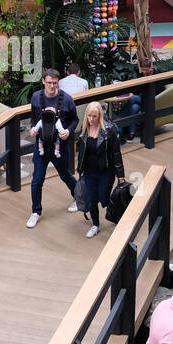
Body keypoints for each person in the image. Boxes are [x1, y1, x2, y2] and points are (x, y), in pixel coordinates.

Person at [26, 68, 80, 229]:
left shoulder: (67, 99)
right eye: (48, 82)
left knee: (66, 175)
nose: (51, 86)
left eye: (54, 83)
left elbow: (74, 120)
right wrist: (32, 128)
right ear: (43, 81)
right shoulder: (36, 97)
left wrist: (68, 131)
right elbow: (34, 118)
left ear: (58, 82)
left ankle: (79, 198)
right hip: (41, 144)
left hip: (60, 146)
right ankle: (36, 212)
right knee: (37, 180)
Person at [74, 101, 125, 239]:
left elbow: (116, 154)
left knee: (104, 199)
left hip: (106, 172)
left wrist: (121, 176)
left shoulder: (109, 130)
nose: (91, 119)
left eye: (94, 116)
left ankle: (118, 215)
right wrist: (79, 169)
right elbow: (81, 152)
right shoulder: (84, 130)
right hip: (89, 172)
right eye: (89, 116)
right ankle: (95, 225)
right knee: (91, 200)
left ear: (99, 116)